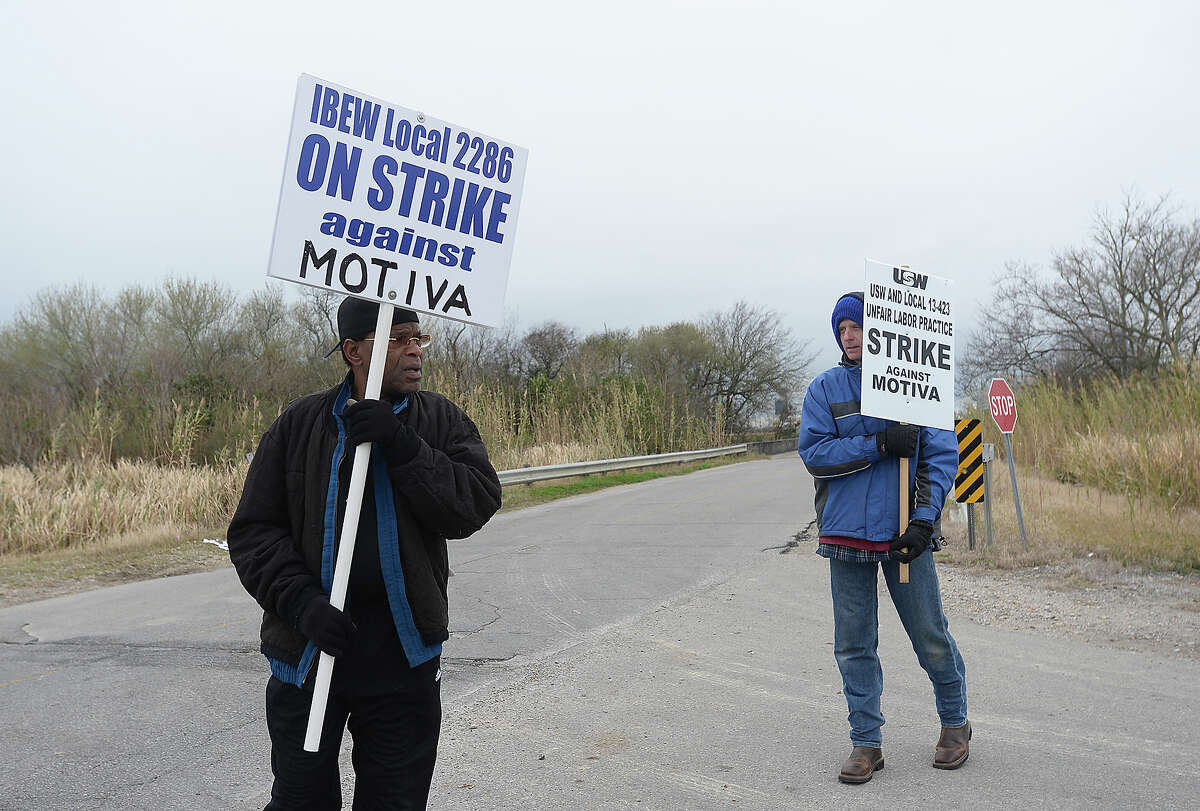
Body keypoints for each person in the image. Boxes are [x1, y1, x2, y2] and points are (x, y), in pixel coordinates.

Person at [228, 296, 501, 809]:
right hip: (310, 654)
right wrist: (302, 603)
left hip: (402, 657)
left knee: (395, 801)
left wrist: (403, 446)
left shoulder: (438, 420)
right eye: (397, 339)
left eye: (418, 338)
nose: (414, 351)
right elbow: (253, 532)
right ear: (353, 351)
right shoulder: (299, 424)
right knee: (300, 799)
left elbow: (474, 502)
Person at [797, 290, 970, 784]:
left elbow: (940, 458)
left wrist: (923, 521)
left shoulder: (918, 388)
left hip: (903, 535)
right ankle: (866, 743)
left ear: (882, 332)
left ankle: (955, 724)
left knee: (930, 636)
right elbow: (816, 454)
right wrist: (878, 444)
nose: (850, 336)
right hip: (845, 536)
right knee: (853, 644)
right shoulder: (825, 389)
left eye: (859, 327)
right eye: (843, 329)